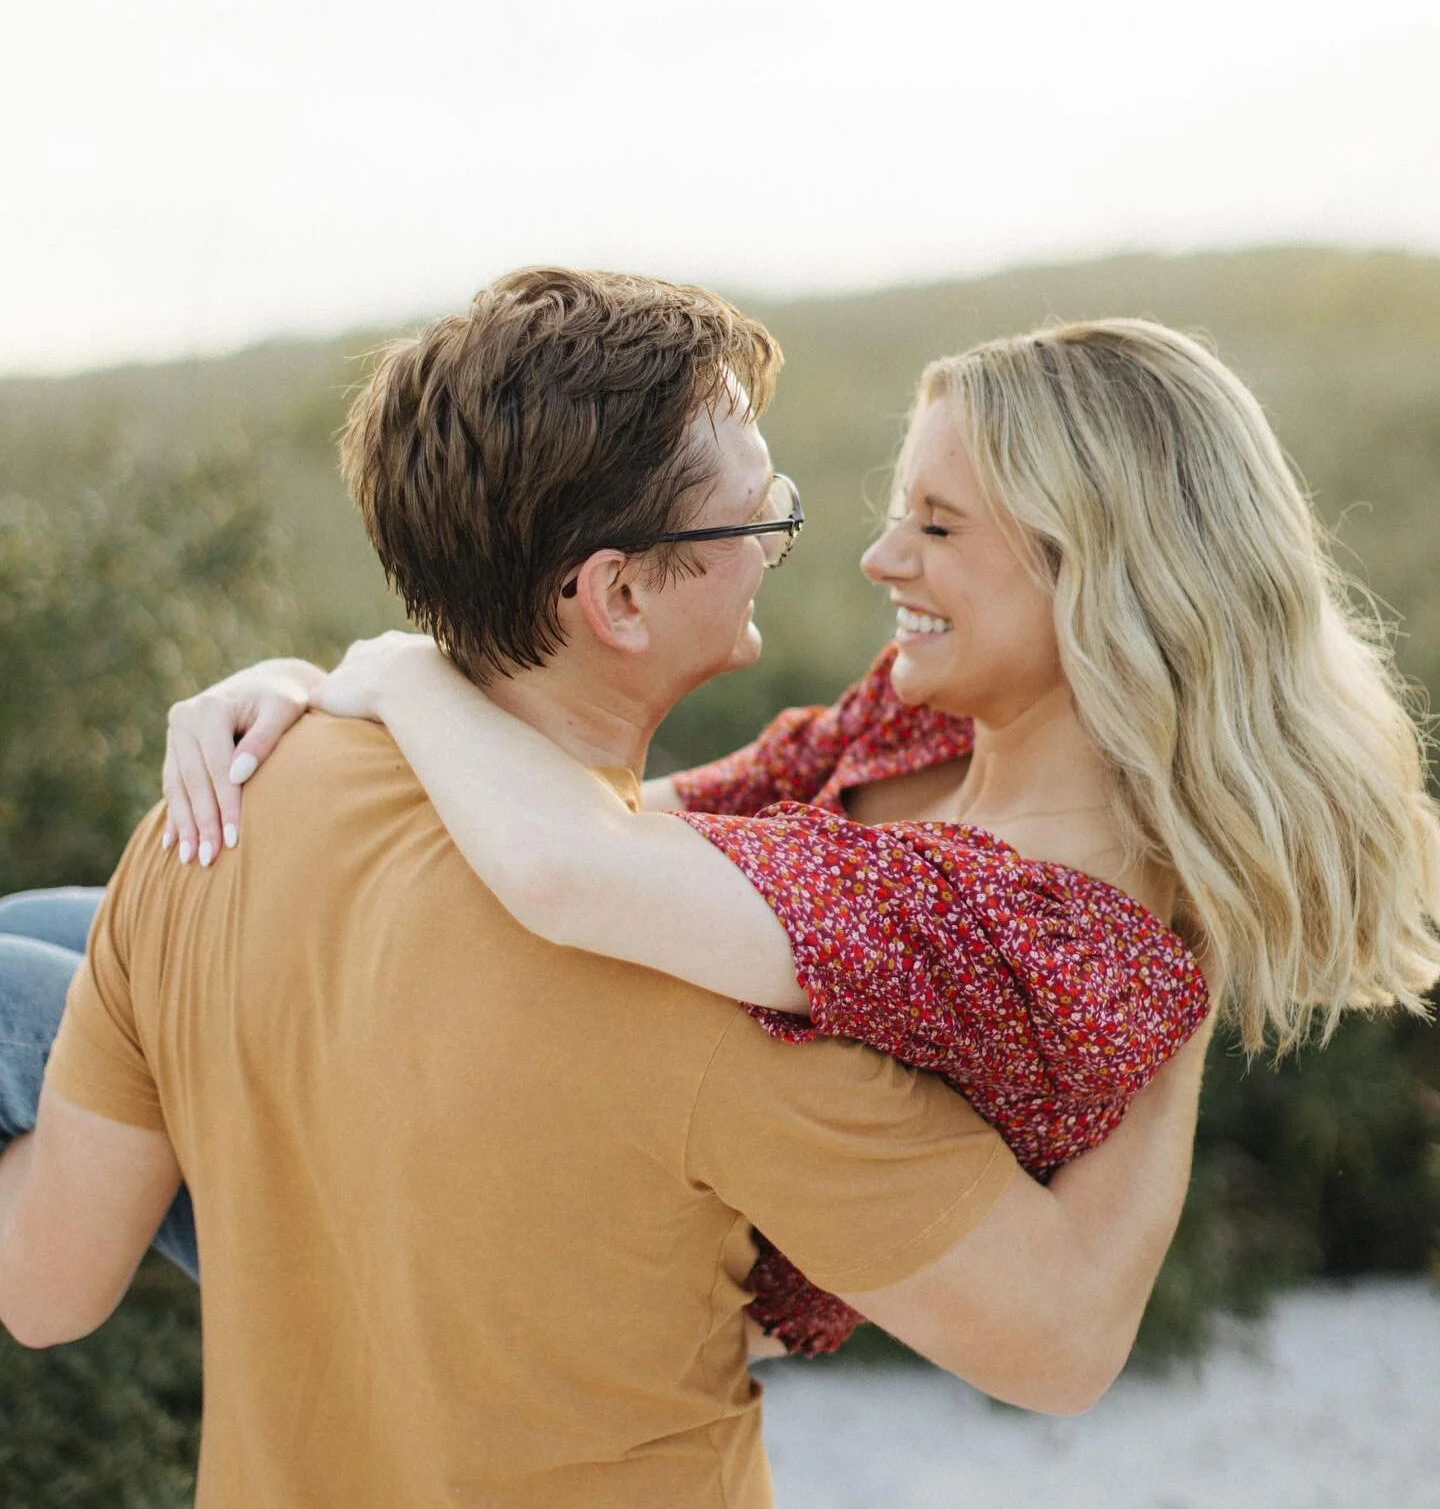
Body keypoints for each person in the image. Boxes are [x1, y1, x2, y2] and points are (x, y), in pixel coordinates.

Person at [0, 271, 1214, 1509]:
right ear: (617, 592)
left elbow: (43, 1288)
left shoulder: (215, 816)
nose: (814, 552)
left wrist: (367, 678)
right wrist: (1196, 954)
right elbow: (1058, 1338)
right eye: (760, 519)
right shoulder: (729, 1005)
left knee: (54, 956)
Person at [158, 315, 1440, 1354]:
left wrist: (394, 671)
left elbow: (567, 863)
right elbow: (613, 817)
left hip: (510, 1262)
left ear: (1107, 574)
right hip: (466, 1096)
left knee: (38, 985)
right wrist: (306, 698)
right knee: (77, 935)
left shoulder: (1052, 935)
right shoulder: (928, 728)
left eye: (938, 526)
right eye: (899, 509)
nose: (881, 557)